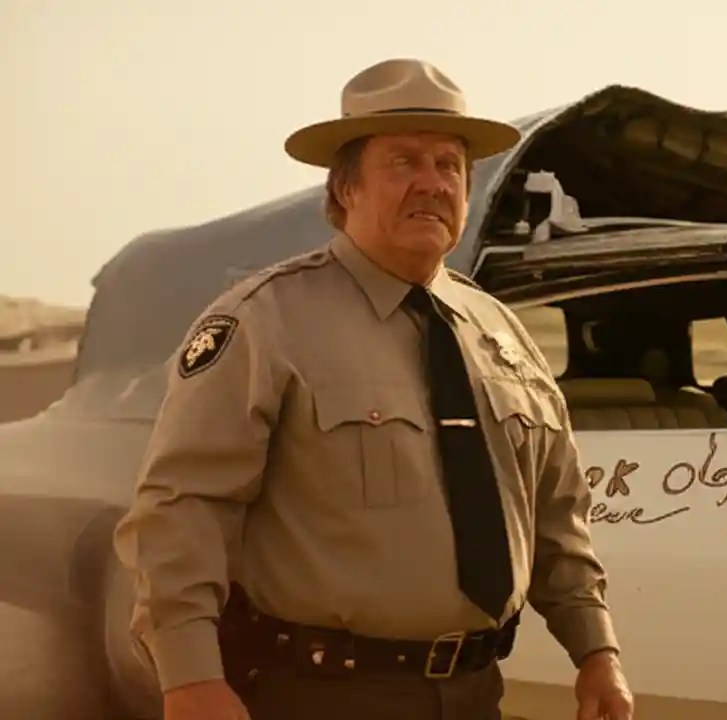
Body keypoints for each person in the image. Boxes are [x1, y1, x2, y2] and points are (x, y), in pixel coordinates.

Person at [112, 58, 634, 720]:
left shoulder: (499, 330)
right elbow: (183, 509)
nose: (432, 183)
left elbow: (555, 511)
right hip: (322, 694)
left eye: (449, 165)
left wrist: (596, 650)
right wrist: (188, 678)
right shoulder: (266, 322)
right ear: (345, 187)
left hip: (477, 694)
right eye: (403, 162)